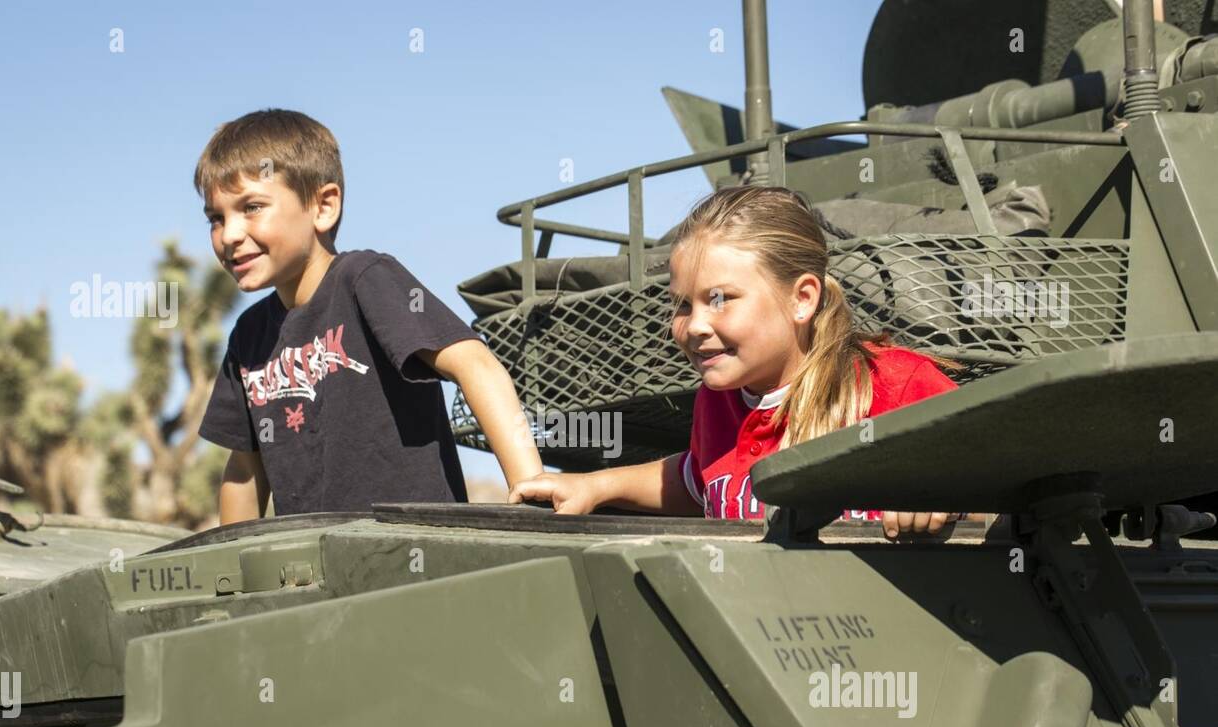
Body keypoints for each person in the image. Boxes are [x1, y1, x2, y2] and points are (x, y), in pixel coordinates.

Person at [508, 185, 961, 539]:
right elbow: (696, 479)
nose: (694, 325)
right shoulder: (717, 401)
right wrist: (596, 486)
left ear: (802, 298)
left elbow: (1000, 472)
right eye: (683, 305)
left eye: (720, 300)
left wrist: (939, 493)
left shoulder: (899, 385)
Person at [194, 109, 541, 523]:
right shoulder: (248, 337)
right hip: (315, 573)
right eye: (216, 218)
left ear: (323, 206)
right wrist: (234, 573)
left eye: (251, 207)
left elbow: (475, 364)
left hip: (413, 556)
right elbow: (245, 469)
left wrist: (531, 492)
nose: (229, 234)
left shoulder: (365, 280)